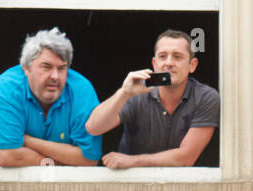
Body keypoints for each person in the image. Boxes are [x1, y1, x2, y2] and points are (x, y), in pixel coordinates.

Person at [84, 29, 219, 169]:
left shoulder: (206, 97)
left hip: (183, 186)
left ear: (192, 65)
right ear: (154, 63)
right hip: (132, 184)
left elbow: (186, 157)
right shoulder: (136, 90)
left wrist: (133, 161)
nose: (169, 62)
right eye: (162, 56)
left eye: (177, 56)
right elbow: (93, 128)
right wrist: (124, 93)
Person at [0, 28, 101, 167]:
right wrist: (64, 162)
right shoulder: (6, 89)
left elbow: (88, 159)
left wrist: (28, 141)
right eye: (46, 67)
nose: (55, 76)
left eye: (62, 68)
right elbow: (7, 156)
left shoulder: (81, 90)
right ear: (26, 69)